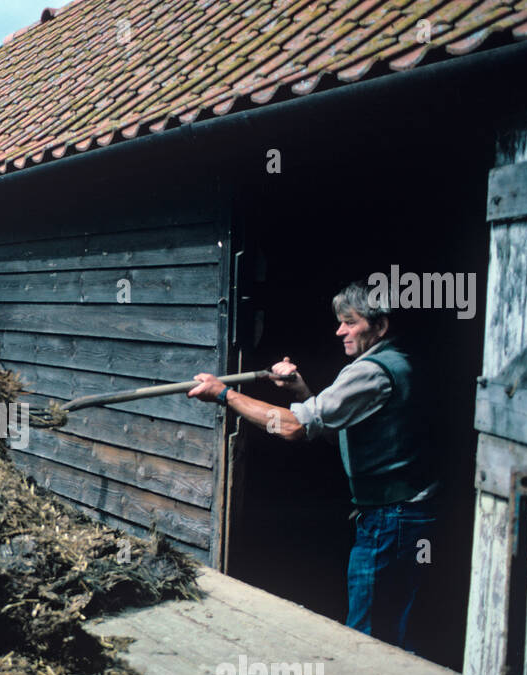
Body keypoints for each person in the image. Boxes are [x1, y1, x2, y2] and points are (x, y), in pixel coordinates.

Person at [186, 278, 438, 654]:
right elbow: (338, 431)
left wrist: (226, 394)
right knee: (392, 625)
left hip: (393, 520)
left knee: (369, 636)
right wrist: (301, 392)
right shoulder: (394, 361)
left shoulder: (370, 372)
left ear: (380, 326)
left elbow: (292, 428)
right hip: (402, 516)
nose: (340, 331)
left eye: (350, 322)